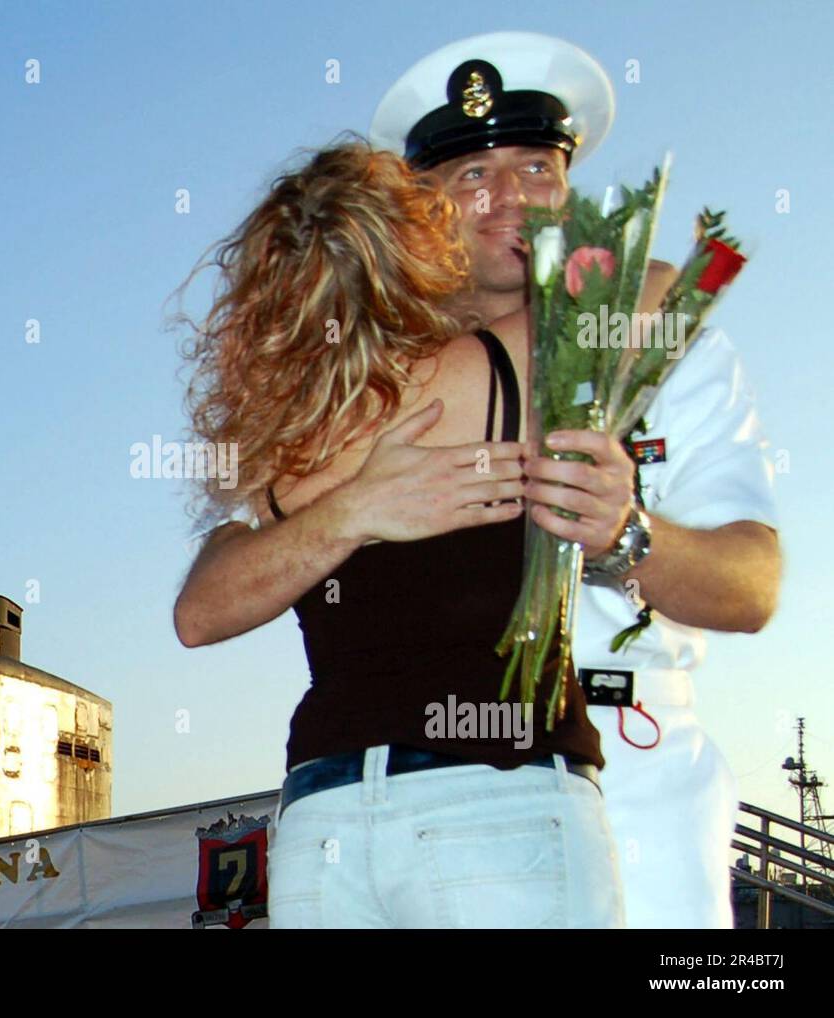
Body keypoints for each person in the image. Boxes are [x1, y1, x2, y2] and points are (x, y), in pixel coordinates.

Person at [368, 33, 780, 927]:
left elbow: (753, 586)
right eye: (471, 175)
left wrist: (626, 536)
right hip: (447, 784)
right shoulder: (380, 376)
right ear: (421, 208)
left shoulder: (673, 345)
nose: (508, 197)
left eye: (535, 166)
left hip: (641, 779)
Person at [172, 138, 623, 928]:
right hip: (497, 799)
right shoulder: (497, 367)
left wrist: (346, 513)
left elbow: (197, 615)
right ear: (419, 248)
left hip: (326, 819)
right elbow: (647, 286)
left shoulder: (295, 441)